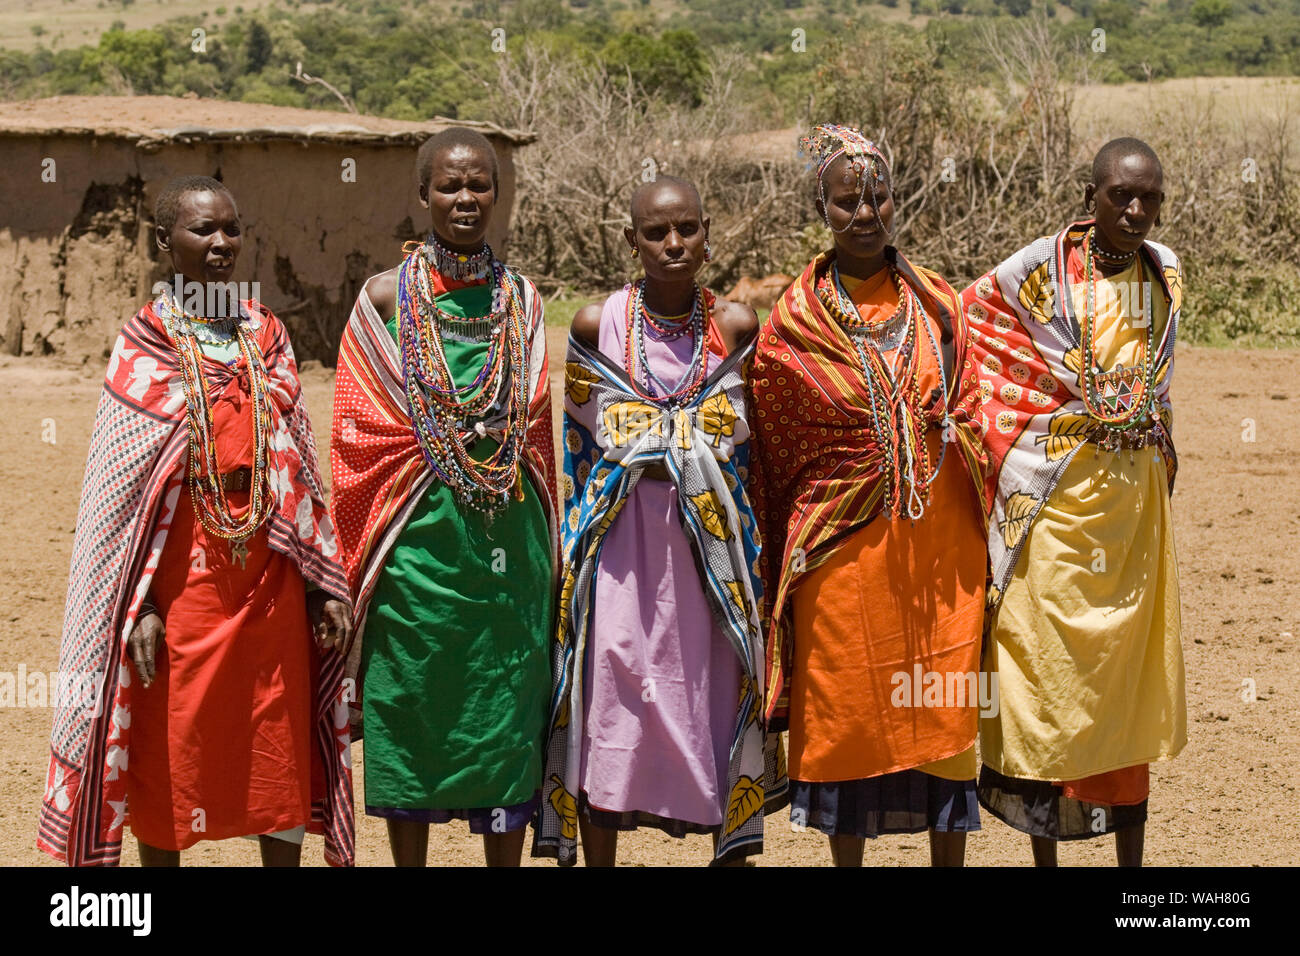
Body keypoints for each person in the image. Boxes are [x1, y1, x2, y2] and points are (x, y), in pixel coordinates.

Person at [37, 175, 355, 867]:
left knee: (278, 744)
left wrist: (322, 583)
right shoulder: (144, 343)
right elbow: (118, 498)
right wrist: (139, 603)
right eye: (201, 231)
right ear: (163, 243)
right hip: (182, 583)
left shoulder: (265, 332)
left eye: (230, 230)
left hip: (270, 577)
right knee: (173, 748)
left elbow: (299, 465)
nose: (220, 244)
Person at [749, 125, 988, 868]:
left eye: (878, 197)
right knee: (848, 707)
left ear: (897, 201)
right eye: (848, 200)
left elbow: (979, 410)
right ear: (822, 207)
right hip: (840, 556)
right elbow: (775, 452)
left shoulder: (943, 306)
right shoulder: (793, 324)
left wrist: (958, 431)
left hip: (941, 553)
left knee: (944, 707)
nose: (866, 213)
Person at [533, 175, 779, 867]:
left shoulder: (734, 327)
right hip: (620, 552)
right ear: (630, 240)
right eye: (655, 232)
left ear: (708, 235)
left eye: (688, 229)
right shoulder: (595, 323)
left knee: (708, 700)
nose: (673, 244)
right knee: (610, 699)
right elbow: (582, 455)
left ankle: (725, 850)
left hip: (709, 557)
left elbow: (750, 454)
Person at [329, 129, 557, 868]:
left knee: (505, 705)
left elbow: (537, 428)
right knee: (414, 699)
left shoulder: (520, 300)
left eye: (480, 185)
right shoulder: (384, 299)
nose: (466, 199)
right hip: (414, 544)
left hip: (507, 543)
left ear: (499, 193)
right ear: (422, 194)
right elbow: (357, 434)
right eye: (450, 186)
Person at [956, 137, 1185, 867]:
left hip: (1134, 511)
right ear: (1090, 196)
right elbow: (973, 330)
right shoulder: (1039, 274)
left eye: (1149, 196)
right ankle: (1045, 860)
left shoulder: (1167, 274)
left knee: (1126, 678)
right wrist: (1035, 432)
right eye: (1121, 195)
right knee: (1046, 677)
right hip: (1052, 506)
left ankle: (1134, 872)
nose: (1136, 209)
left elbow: (1158, 391)